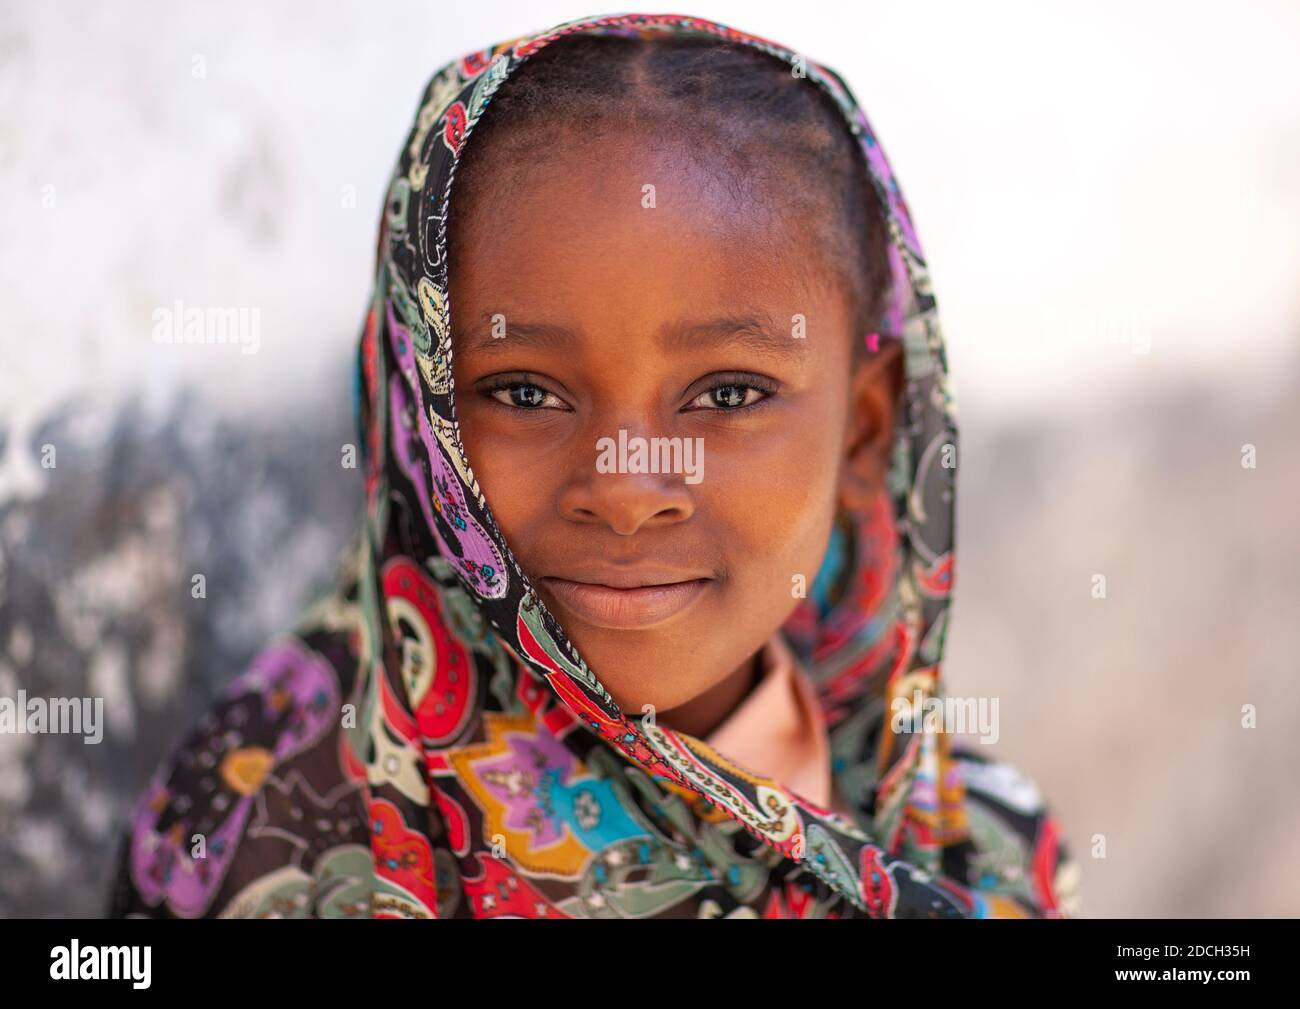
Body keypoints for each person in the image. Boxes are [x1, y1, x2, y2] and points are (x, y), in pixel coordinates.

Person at [107, 11, 1081, 919]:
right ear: (420, 410)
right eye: (525, 392)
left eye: (729, 394)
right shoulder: (269, 847)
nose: (622, 485)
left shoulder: (982, 848)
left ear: (866, 434)